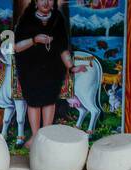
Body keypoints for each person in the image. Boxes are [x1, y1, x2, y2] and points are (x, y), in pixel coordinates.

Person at [12, 0, 84, 144]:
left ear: (53, 3)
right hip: (30, 70)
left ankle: (45, 135)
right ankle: (35, 135)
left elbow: (63, 49)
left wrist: (71, 67)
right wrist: (35, 40)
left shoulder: (58, 20)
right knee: (33, 103)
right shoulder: (26, 19)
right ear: (35, 2)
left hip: (53, 71)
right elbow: (16, 47)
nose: (45, 2)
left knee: (49, 101)